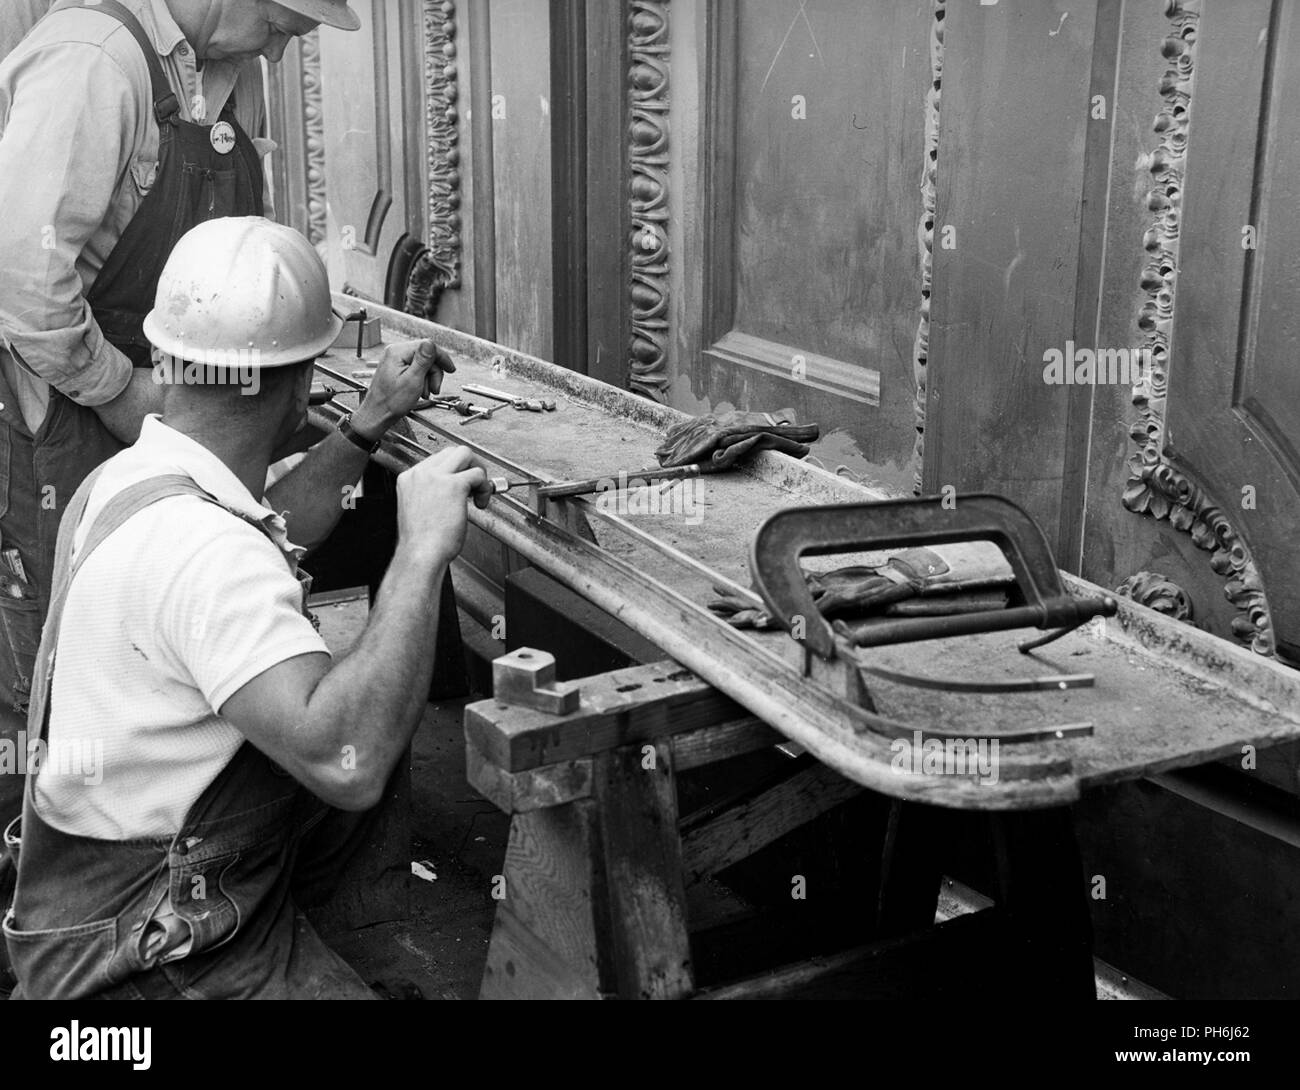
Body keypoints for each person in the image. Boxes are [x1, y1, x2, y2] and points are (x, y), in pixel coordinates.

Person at [3, 216, 490, 1000]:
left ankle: (321, 938)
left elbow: (268, 523)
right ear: (300, 386)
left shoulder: (131, 479)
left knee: (360, 700)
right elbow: (345, 761)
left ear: (168, 359)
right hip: (136, 950)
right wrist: (421, 549)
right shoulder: (208, 558)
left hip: (87, 890)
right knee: (362, 719)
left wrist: (366, 424)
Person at [0, 0, 361, 868]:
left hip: (166, 392)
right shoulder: (95, 60)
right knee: (56, 667)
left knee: (169, 638)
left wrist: (265, 376)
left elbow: (234, 249)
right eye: (282, 21)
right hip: (69, 409)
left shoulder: (227, 74)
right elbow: (20, 275)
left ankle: (185, 851)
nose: (287, 43)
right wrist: (125, 395)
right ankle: (50, 894)